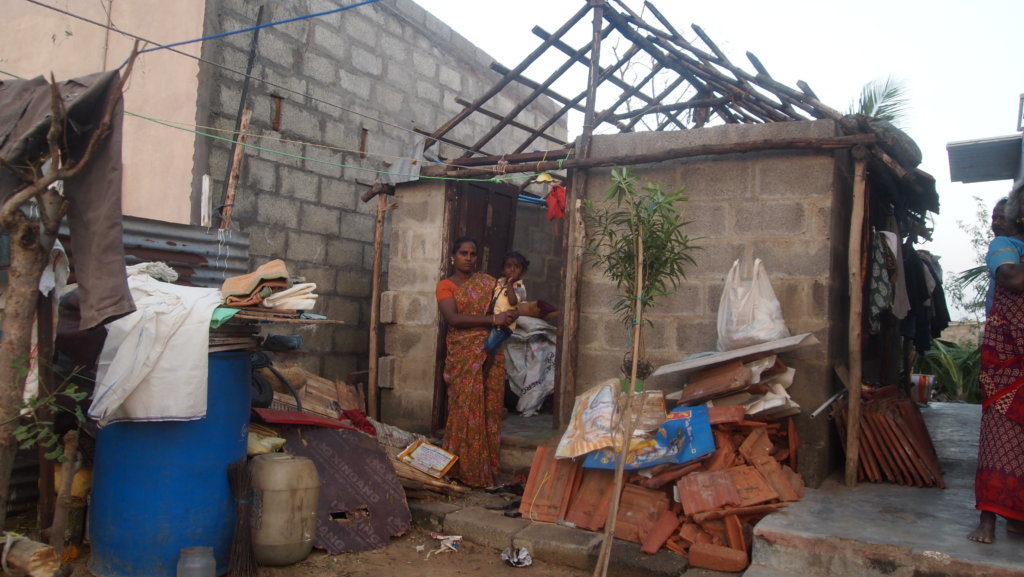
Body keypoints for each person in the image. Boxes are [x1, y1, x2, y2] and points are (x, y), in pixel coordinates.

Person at [435, 237, 518, 487]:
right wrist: (493, 320)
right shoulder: (445, 286)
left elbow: (507, 305)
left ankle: (486, 470)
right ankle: (462, 470)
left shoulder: (489, 283)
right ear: (453, 256)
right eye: (463, 253)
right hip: (463, 353)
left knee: (488, 410)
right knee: (464, 409)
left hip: (490, 351)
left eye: (472, 253)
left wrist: (510, 313)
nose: (468, 257)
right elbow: (453, 318)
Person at [967, 184, 1024, 544]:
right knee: (1000, 436)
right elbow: (1012, 278)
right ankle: (988, 519)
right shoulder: (1005, 248)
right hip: (1008, 361)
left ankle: (1017, 518)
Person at [484, 251, 529, 355]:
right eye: (509, 266)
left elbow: (512, 302)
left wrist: (510, 283)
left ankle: (487, 367)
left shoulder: (520, 288)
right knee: (487, 344)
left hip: (505, 326)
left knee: (489, 347)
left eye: (516, 267)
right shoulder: (500, 281)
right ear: (503, 270)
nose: (512, 269)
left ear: (522, 271)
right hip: (494, 320)